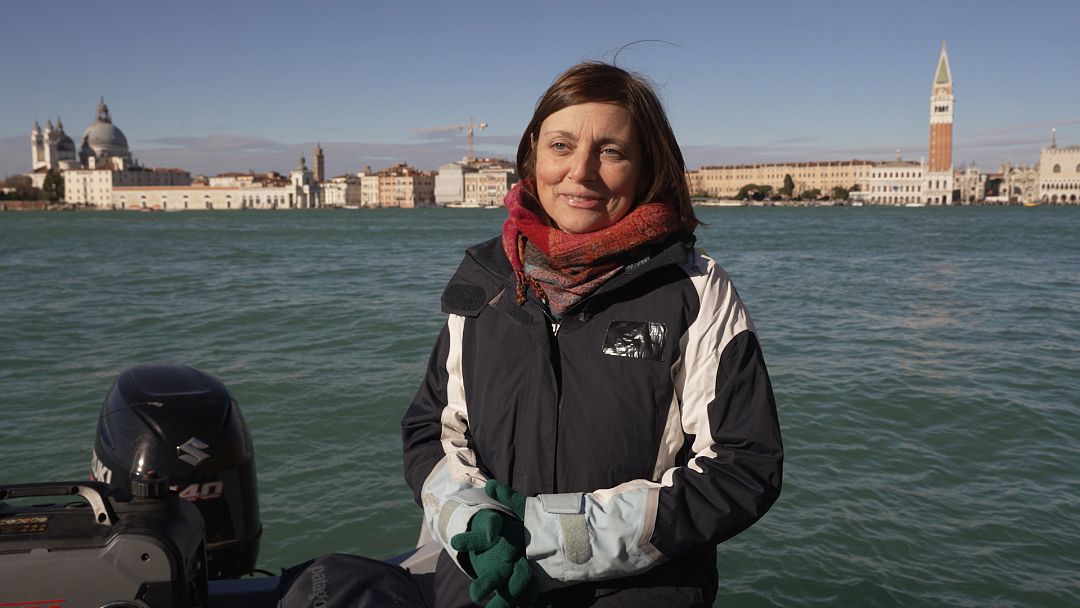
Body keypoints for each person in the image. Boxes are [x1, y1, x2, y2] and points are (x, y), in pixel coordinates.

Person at [401, 62, 783, 608]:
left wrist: (571, 534)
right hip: (482, 587)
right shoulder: (485, 282)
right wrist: (467, 518)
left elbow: (745, 463)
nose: (581, 172)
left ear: (645, 166)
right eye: (561, 145)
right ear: (533, 154)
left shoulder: (694, 290)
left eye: (611, 151)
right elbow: (430, 427)